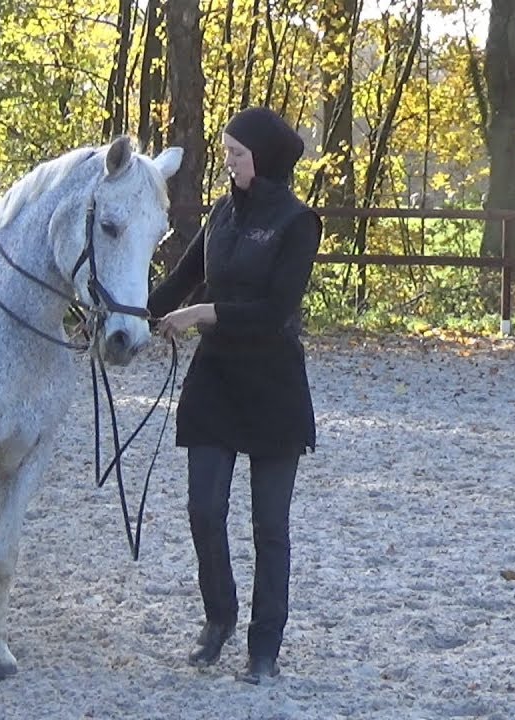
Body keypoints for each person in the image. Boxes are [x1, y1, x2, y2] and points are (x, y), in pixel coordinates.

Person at [147, 106, 320, 684]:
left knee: (270, 526)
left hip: (273, 387)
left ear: (263, 160)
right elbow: (179, 280)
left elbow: (276, 310)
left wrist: (201, 314)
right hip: (216, 382)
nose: (229, 164)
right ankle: (218, 618)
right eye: (227, 154)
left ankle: (264, 645)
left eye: (237, 156)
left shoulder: (298, 223)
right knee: (204, 510)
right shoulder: (221, 213)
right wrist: (124, 311)